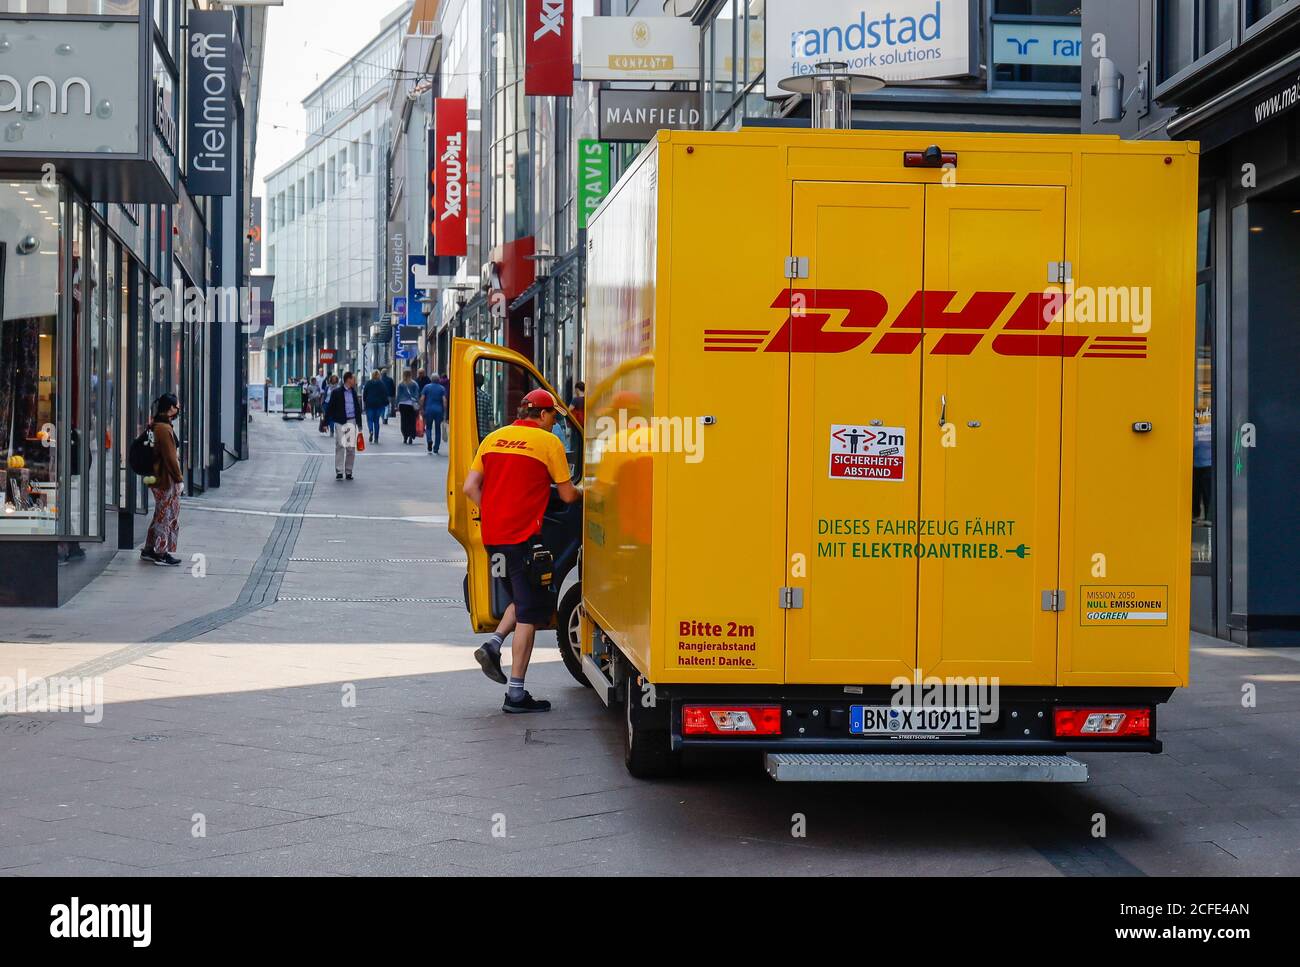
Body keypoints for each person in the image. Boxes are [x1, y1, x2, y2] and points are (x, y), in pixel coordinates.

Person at [466, 389, 582, 713]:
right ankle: (515, 694)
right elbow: (569, 495)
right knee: (530, 614)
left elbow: (469, 487)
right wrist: (591, 491)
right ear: (543, 415)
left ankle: (493, 643)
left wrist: (492, 512)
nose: (554, 422)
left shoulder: (493, 439)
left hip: (493, 538)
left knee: (522, 598)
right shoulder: (548, 444)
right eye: (554, 417)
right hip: (523, 541)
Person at [141, 393, 184, 567]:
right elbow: (170, 457)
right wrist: (179, 479)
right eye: (176, 406)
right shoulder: (163, 429)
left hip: (158, 477)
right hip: (165, 479)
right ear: (170, 408)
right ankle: (160, 552)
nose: (178, 409)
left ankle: (150, 549)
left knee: (160, 513)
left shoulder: (156, 425)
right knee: (165, 516)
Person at [324, 371, 363, 481]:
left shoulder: (354, 392)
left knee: (350, 448)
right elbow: (330, 408)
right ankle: (339, 471)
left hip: (351, 421)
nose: (355, 381)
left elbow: (357, 409)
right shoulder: (337, 392)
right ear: (348, 379)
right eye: (353, 379)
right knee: (340, 445)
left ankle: (349, 471)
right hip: (340, 421)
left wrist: (359, 424)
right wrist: (325, 423)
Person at [362, 369, 390, 445]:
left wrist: (365, 401)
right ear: (378, 375)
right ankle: (376, 438)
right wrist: (385, 402)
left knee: (370, 420)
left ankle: (371, 431)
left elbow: (365, 393)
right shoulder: (381, 383)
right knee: (376, 421)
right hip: (378, 404)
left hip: (369, 404)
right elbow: (385, 394)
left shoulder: (368, 383)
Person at [420, 376, 447, 454]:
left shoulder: (426, 387)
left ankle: (429, 440)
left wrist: (421, 409)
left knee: (428, 427)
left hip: (429, 410)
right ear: (438, 380)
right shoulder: (442, 388)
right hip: (439, 410)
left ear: (431, 380)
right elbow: (444, 401)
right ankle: (436, 448)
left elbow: (422, 398)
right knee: (438, 429)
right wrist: (445, 412)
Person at [396, 369, 420, 445]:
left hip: (402, 404)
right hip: (411, 405)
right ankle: (411, 435)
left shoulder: (400, 384)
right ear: (411, 374)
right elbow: (417, 394)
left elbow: (398, 395)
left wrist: (397, 404)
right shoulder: (414, 384)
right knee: (412, 420)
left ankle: (405, 436)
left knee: (404, 421)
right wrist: (416, 401)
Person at [475, 372, 494, 441]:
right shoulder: (487, 397)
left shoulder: (467, 397)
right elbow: (490, 418)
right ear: (482, 383)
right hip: (483, 434)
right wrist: (493, 436)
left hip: (469, 433)